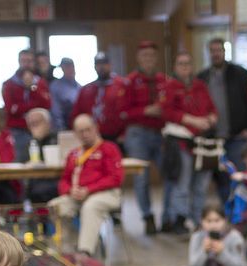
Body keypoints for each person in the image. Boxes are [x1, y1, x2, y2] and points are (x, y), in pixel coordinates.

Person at [47, 114, 124, 255]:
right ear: (75, 133)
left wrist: (89, 190)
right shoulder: (74, 154)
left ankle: (85, 252)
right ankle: (66, 249)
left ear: (96, 128)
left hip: (105, 194)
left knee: (91, 207)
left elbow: (115, 178)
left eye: (88, 129)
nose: (85, 134)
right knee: (55, 206)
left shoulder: (109, 148)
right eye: (80, 131)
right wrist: (70, 190)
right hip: (77, 195)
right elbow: (64, 180)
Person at [198, 37, 247, 202]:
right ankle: (226, 211)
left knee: (239, 176)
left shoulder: (240, 74)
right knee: (220, 178)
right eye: (212, 51)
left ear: (224, 52)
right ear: (209, 53)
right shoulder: (202, 77)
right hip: (212, 139)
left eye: (219, 50)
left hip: (237, 136)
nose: (216, 54)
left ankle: (241, 213)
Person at [161, 51, 218, 235]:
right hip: (181, 141)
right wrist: (191, 120)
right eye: (181, 64)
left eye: (188, 63)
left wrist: (211, 118)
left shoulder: (200, 86)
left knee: (201, 185)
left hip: (203, 142)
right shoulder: (170, 87)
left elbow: (212, 108)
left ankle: (198, 219)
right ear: (175, 67)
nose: (185, 67)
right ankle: (180, 219)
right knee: (183, 183)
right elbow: (167, 112)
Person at [115, 41, 167, 235]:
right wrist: (145, 110)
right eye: (145, 56)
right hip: (138, 133)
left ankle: (170, 216)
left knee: (170, 173)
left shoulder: (163, 80)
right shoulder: (130, 81)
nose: (148, 59)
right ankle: (147, 216)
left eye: (152, 56)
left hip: (160, 133)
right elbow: (122, 112)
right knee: (141, 177)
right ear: (139, 58)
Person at [176, 203, 247, 266]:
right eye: (208, 221)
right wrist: (204, 251)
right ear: (202, 222)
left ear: (225, 220)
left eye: (217, 221)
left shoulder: (235, 237)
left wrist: (222, 253)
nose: (213, 225)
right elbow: (193, 265)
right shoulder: (197, 237)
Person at [2, 49, 52, 156]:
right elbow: (11, 109)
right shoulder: (9, 84)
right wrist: (33, 106)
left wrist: (32, 88)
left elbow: (47, 105)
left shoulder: (40, 83)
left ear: (33, 62)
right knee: (20, 158)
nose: (26, 64)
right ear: (19, 62)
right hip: (18, 129)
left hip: (39, 130)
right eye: (23, 61)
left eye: (29, 61)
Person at [70, 52, 124, 143]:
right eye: (98, 64)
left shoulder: (121, 85)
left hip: (116, 137)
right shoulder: (86, 89)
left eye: (104, 63)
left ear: (110, 65)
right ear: (94, 66)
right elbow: (76, 115)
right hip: (91, 138)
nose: (101, 67)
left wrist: (124, 134)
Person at [14, 108, 59, 204]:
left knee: (40, 190)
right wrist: (36, 140)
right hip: (34, 181)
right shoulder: (28, 142)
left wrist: (39, 140)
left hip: (54, 180)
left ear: (48, 123)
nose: (35, 126)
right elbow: (22, 162)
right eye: (31, 124)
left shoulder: (57, 138)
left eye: (38, 122)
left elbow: (55, 161)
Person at [49, 58, 81, 132]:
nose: (69, 69)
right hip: (64, 127)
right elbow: (56, 110)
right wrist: (61, 129)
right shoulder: (56, 86)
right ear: (62, 69)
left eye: (71, 66)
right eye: (66, 67)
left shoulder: (79, 87)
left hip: (78, 127)